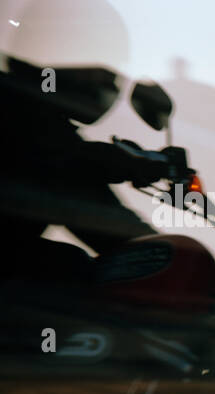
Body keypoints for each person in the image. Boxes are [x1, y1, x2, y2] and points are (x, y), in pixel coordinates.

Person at [0, 0, 166, 286]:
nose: (112, 82)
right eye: (102, 64)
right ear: (57, 51)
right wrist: (172, 260)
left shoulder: (42, 121)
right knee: (68, 270)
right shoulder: (19, 116)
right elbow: (61, 166)